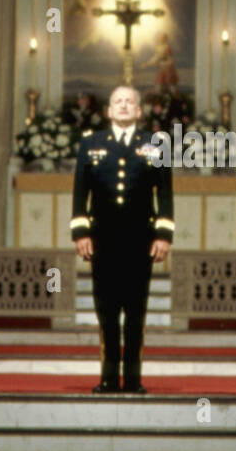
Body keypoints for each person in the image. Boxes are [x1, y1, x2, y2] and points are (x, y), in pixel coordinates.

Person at [71, 85, 174, 393]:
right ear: (109, 111)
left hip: (140, 241)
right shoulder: (91, 144)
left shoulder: (156, 144)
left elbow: (165, 195)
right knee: (106, 311)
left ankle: (132, 379)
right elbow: (80, 192)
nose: (125, 105)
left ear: (140, 111)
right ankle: (107, 378)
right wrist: (81, 232)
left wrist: (163, 235)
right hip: (102, 241)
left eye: (131, 101)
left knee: (135, 312)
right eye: (118, 101)